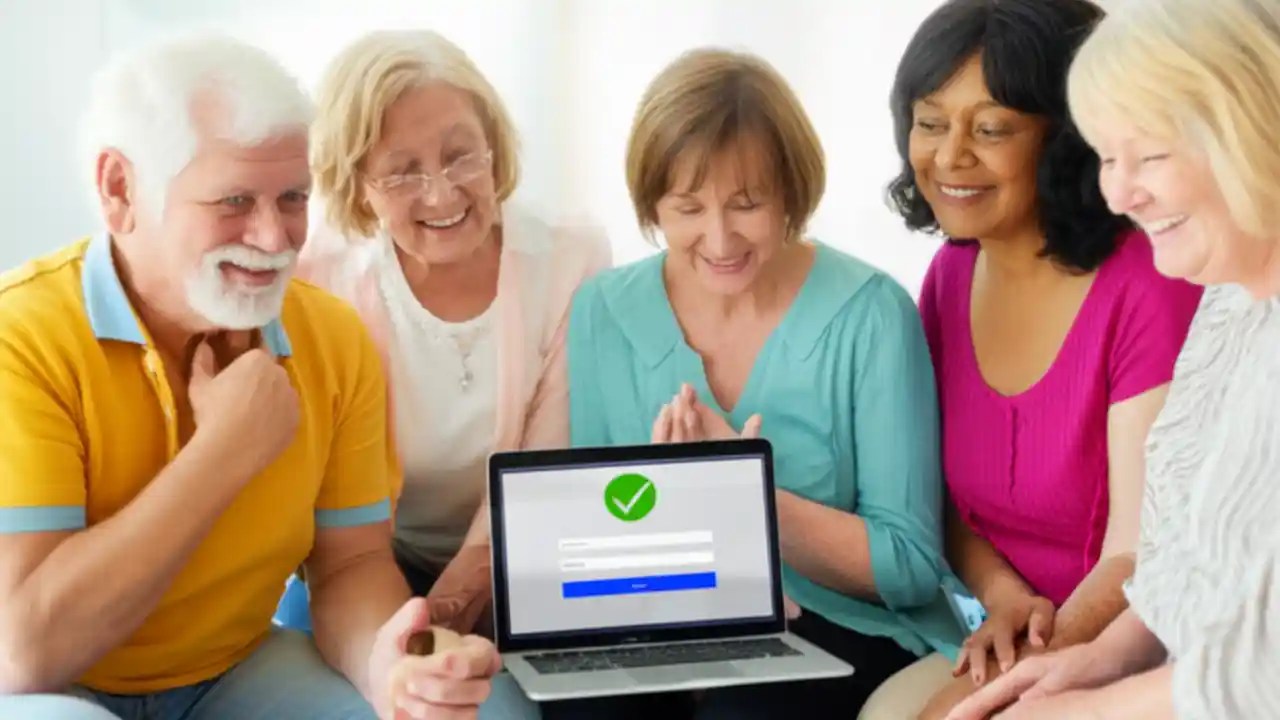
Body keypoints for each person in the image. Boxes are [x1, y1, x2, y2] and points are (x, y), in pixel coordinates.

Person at [0, 35, 498, 720]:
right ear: (120, 190)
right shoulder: (19, 340)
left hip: (232, 670)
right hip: (50, 691)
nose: (275, 239)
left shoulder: (330, 337)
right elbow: (24, 652)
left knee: (489, 713)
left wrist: (395, 670)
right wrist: (224, 453)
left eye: (292, 197)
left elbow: (349, 566)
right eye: (234, 200)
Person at [556, 47, 964, 720]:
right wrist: (704, 589)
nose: (719, 239)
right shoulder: (604, 310)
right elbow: (593, 540)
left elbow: (910, 564)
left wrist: (743, 497)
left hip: (834, 623)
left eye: (747, 204)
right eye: (687, 208)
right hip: (656, 616)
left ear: (790, 194)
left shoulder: (871, 313)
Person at [857, 2, 1204, 718]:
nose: (951, 156)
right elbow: (943, 505)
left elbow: (1139, 553)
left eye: (990, 130)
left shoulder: (1148, 282)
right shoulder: (949, 277)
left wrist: (1043, 647)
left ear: (1067, 140)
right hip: (1001, 631)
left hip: (1134, 642)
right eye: (929, 122)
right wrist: (1004, 598)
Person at [945, 0, 1280, 718]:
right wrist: (1096, 662)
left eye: (1151, 156)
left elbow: (1264, 671)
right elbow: (1181, 571)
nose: (1118, 193)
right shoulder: (1229, 303)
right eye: (1106, 156)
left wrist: (1088, 709)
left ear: (1252, 130)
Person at [280, 27, 607, 640]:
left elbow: (544, 460)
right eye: (401, 173)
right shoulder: (316, 279)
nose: (441, 192)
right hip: (362, 560)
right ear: (359, 187)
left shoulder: (569, 255)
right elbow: (321, 497)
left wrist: (458, 596)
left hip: (529, 552)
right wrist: (406, 623)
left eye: (461, 154)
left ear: (494, 144)